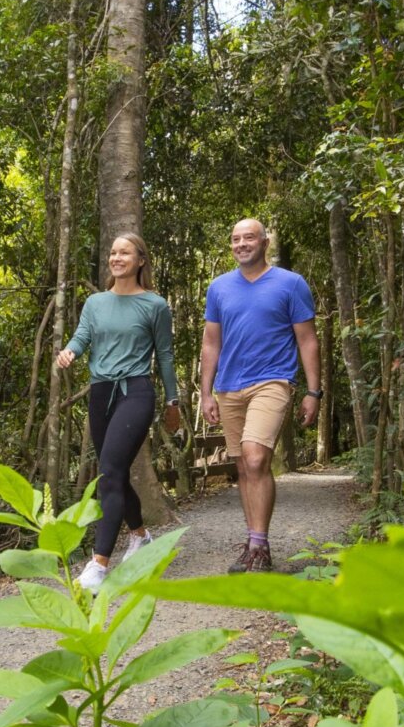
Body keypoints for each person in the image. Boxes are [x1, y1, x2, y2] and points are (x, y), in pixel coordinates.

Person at [56, 233, 183, 593]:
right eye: (112, 252)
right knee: (115, 473)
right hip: (101, 393)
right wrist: (69, 352)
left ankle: (98, 565)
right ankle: (140, 537)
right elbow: (82, 336)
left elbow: (166, 355)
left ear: (140, 260)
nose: (116, 257)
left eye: (124, 252)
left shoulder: (155, 305)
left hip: (136, 391)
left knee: (109, 470)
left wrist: (173, 402)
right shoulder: (95, 302)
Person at [199, 218, 321, 573]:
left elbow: (307, 339)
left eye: (248, 238)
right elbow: (211, 342)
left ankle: (261, 546)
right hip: (228, 386)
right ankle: (253, 543)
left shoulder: (291, 284)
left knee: (255, 459)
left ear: (264, 242)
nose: (241, 244)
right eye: (235, 239)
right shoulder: (219, 288)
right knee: (242, 466)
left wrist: (314, 391)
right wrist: (206, 393)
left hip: (273, 381)